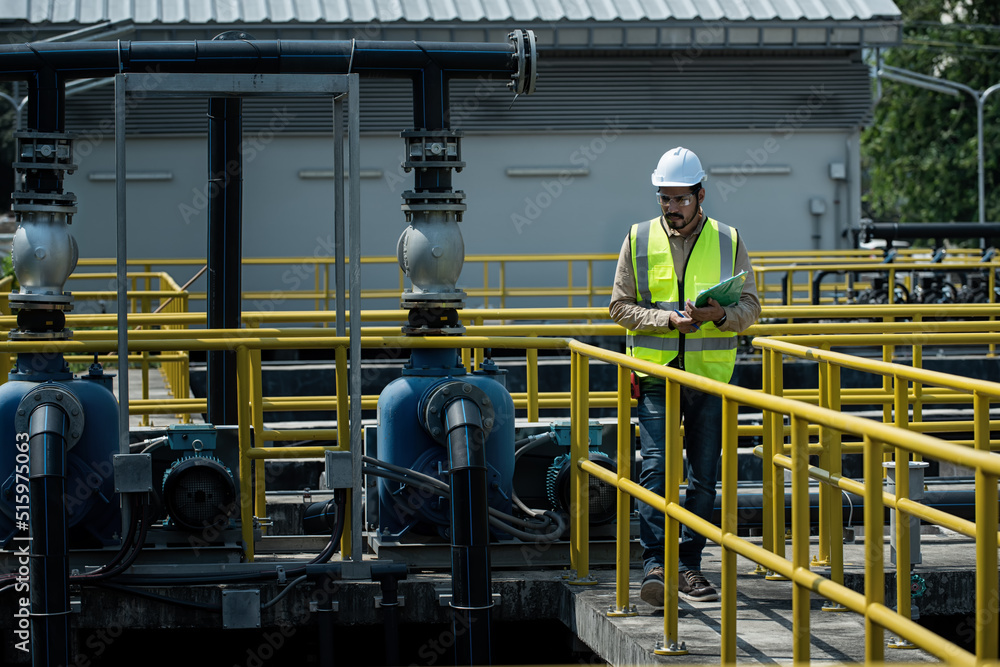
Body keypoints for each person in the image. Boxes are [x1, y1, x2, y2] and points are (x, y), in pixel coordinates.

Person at [609, 146, 761, 608]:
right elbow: (619, 308)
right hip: (656, 373)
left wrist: (720, 315)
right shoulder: (637, 239)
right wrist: (667, 322)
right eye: (664, 198)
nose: (671, 208)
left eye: (680, 199)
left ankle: (689, 566)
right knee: (654, 469)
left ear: (699, 195)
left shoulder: (729, 239)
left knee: (702, 478)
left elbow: (751, 308)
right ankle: (656, 564)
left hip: (709, 376)